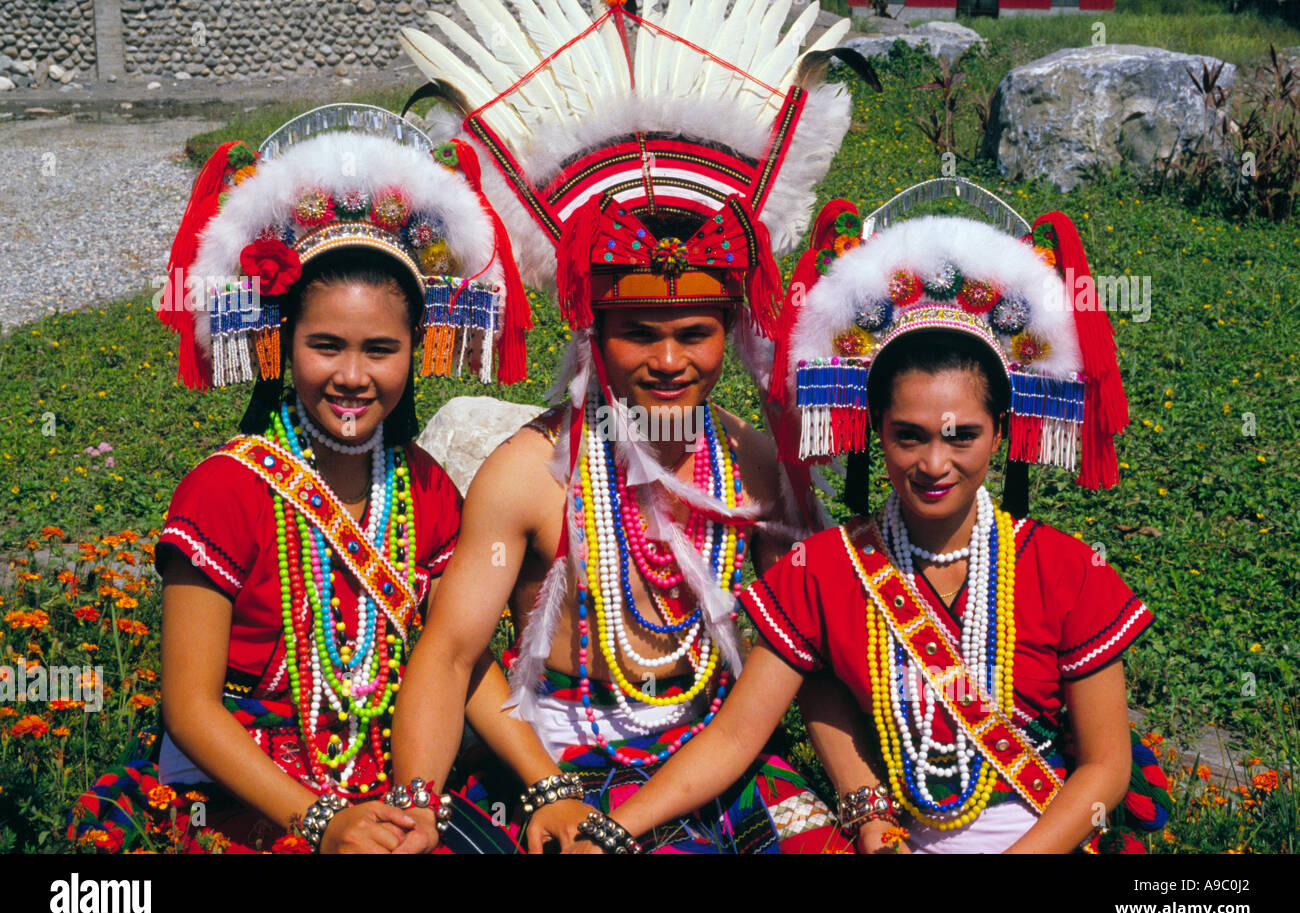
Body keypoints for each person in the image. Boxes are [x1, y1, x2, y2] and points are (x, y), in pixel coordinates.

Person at [391, 0, 871, 853]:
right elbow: (451, 649)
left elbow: (814, 647)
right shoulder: (530, 472)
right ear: (593, 333)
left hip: (717, 753)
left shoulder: (758, 471)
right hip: (560, 759)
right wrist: (416, 809)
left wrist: (865, 801)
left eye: (694, 333)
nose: (668, 360)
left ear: (731, 332)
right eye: (638, 333)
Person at [571, 191, 1170, 854]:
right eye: (908, 436)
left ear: (1000, 433)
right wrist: (611, 830)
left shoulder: (1063, 569)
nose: (934, 464)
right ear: (875, 430)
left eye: (961, 436)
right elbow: (738, 736)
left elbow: (1105, 767)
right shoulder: (825, 569)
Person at [68, 104, 530, 854]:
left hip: (398, 768)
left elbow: (460, 655)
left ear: (420, 348)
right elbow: (189, 708)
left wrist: (533, 781)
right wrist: (321, 821)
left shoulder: (427, 489)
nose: (352, 376)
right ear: (282, 341)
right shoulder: (223, 492)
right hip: (246, 787)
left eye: (380, 348)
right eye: (325, 345)